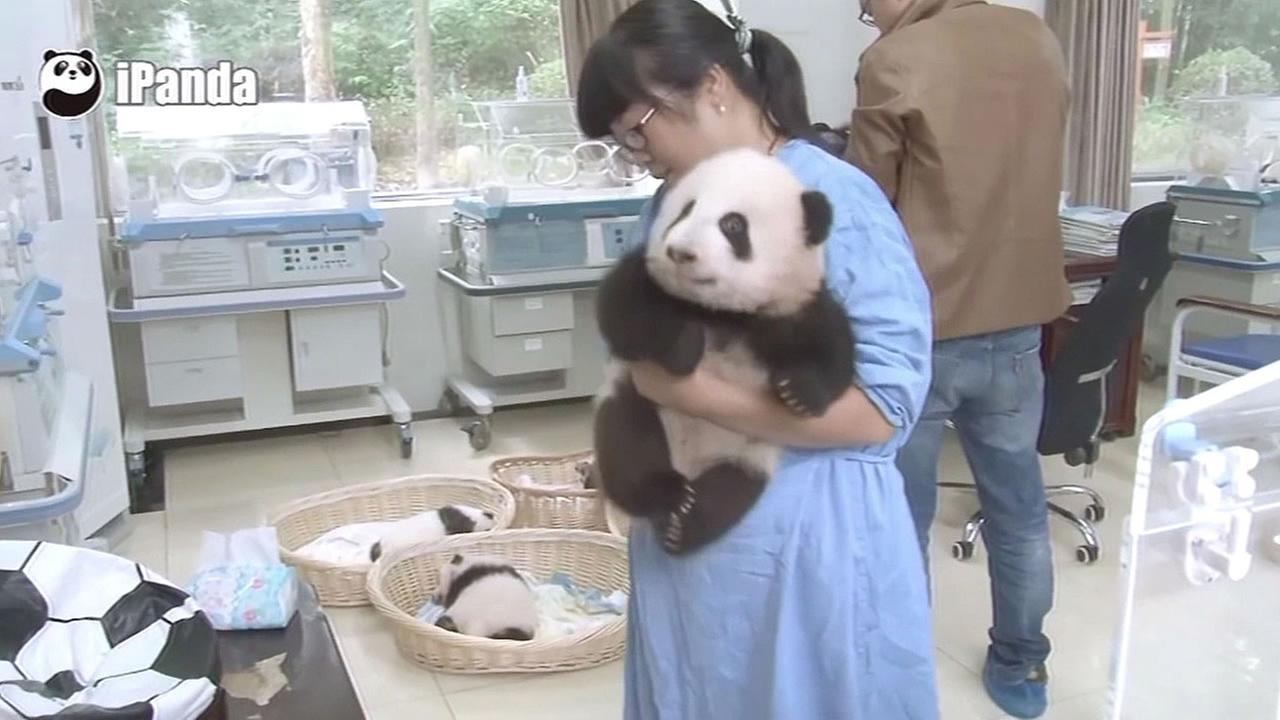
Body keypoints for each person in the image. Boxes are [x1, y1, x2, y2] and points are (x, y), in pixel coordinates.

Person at [576, 1, 939, 718]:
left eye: (639, 130)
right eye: (621, 143)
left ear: (713, 85)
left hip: (801, 543)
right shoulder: (672, 203)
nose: (637, 156)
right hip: (690, 553)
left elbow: (883, 410)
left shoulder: (829, 199)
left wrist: (691, 394)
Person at [845, 1, 1071, 718]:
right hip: (1020, 322)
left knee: (901, 517)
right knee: (1019, 509)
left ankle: (900, 675)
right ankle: (1022, 665)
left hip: (920, 330)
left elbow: (863, 200)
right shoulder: (1036, 36)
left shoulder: (895, 57)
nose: (866, 12)